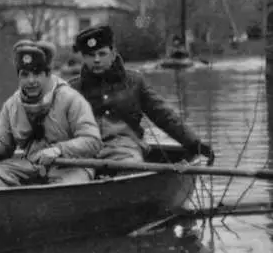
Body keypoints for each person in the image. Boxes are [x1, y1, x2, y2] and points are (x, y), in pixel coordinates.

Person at [0, 39, 102, 186]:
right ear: (19, 77)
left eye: (37, 73)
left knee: (63, 192)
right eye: (25, 74)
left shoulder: (71, 99)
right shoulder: (12, 105)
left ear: (47, 74)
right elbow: (3, 145)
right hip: (31, 165)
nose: (31, 81)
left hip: (71, 167)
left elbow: (93, 141)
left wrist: (58, 150)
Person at [69, 24, 215, 163]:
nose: (96, 60)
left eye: (102, 54)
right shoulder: (72, 89)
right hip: (84, 151)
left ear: (113, 54)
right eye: (90, 55)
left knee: (129, 169)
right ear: (83, 57)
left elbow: (164, 115)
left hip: (125, 150)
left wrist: (194, 143)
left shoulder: (134, 82)